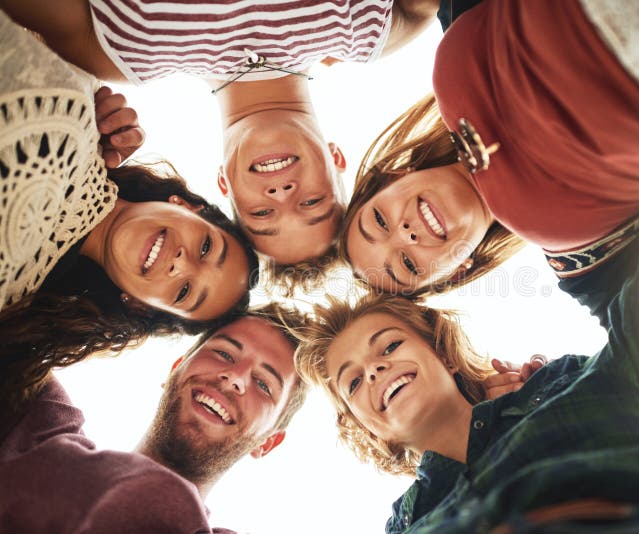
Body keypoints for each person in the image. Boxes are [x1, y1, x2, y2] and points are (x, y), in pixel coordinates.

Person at [295, 179, 639, 531]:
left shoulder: (587, 387)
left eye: (390, 345)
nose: (374, 369)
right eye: (352, 382)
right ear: (367, 429)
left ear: (443, 355)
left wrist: (587, 273)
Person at [342, 0, 639, 296]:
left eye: (378, 220)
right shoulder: (584, 267)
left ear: (388, 178)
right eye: (406, 263)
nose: (405, 233)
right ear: (454, 273)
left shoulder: (455, 30)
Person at [0, 0, 441, 291]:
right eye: (312, 201)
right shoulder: (367, 32)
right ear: (337, 157)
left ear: (223, 183)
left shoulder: (122, 56)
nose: (282, 195)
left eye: (262, 214)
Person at [0, 10, 258, 412]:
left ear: (138, 304)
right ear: (186, 206)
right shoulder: (96, 110)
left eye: (185, 291)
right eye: (207, 248)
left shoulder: (15, 308)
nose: (181, 265)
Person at [0, 303, 308, 532]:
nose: (234, 377)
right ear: (176, 368)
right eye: (225, 354)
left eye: (264, 385)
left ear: (268, 443)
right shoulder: (40, 420)